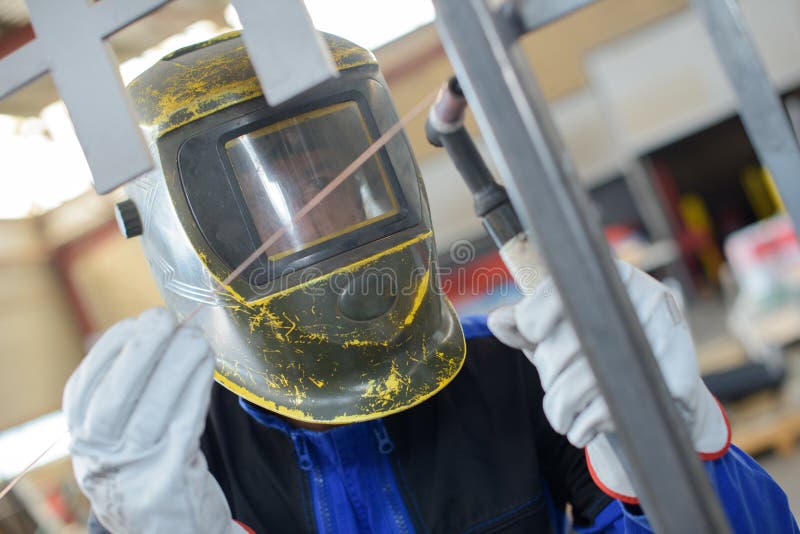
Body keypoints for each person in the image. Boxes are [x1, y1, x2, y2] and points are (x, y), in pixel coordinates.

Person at [64, 32, 797, 533]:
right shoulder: (165, 465)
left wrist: (673, 449)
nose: (317, 227)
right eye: (269, 210)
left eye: (332, 185)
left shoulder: (524, 370)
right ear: (176, 239)